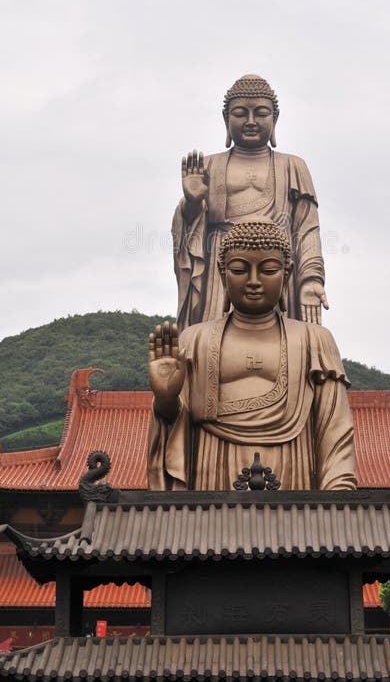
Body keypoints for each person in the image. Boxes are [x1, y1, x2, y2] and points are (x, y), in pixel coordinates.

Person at [148, 221, 356, 491]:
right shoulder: (194, 340)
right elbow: (176, 430)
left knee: (292, 534)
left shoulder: (314, 340)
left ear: (288, 273)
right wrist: (166, 399)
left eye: (268, 270)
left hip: (293, 474)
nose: (254, 281)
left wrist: (337, 499)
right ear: (223, 274)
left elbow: (334, 430)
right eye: (239, 270)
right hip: (212, 474)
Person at [172, 75, 329, 331]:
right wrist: (192, 203)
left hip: (274, 265)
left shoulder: (293, 166)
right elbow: (189, 227)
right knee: (211, 341)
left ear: (274, 119)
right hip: (221, 269)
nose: (251, 121)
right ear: (226, 120)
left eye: (261, 113)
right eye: (241, 113)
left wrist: (312, 279)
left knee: (282, 345)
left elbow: (307, 229)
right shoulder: (209, 166)